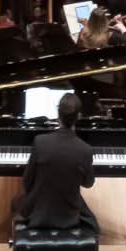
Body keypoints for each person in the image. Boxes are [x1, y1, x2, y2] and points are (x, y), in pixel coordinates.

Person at [14, 91, 97, 234]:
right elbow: (88, 183)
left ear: (58, 115)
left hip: (38, 213)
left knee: (15, 203)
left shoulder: (40, 142)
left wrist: (32, 197)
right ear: (78, 117)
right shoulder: (86, 150)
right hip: (69, 216)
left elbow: (27, 180)